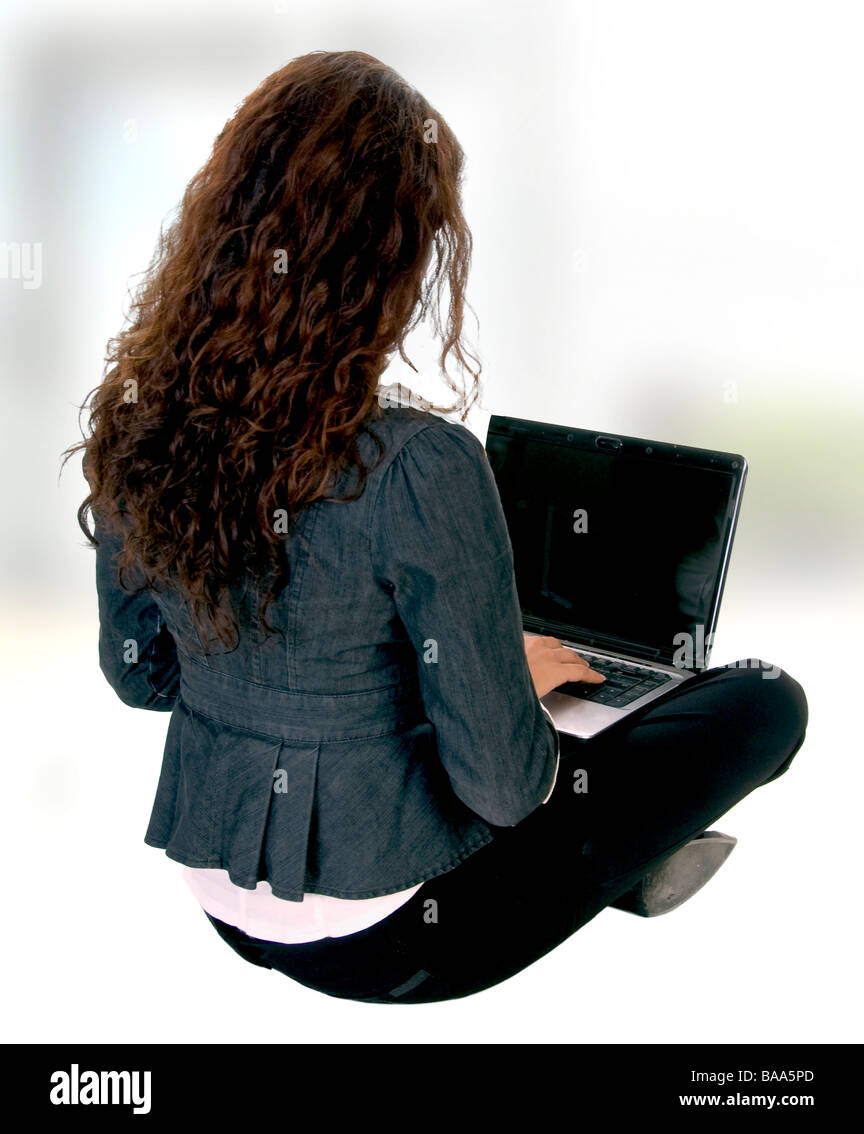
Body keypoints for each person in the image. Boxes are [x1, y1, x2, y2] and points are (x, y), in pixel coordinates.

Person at [66, 50, 808, 1005]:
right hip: (399, 944)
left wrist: (344, 688)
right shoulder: (419, 463)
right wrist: (502, 686)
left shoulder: (141, 423)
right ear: (394, 260)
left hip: (216, 898)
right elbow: (504, 791)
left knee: (547, 723)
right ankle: (627, 866)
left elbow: (142, 678)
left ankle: (623, 859)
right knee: (762, 700)